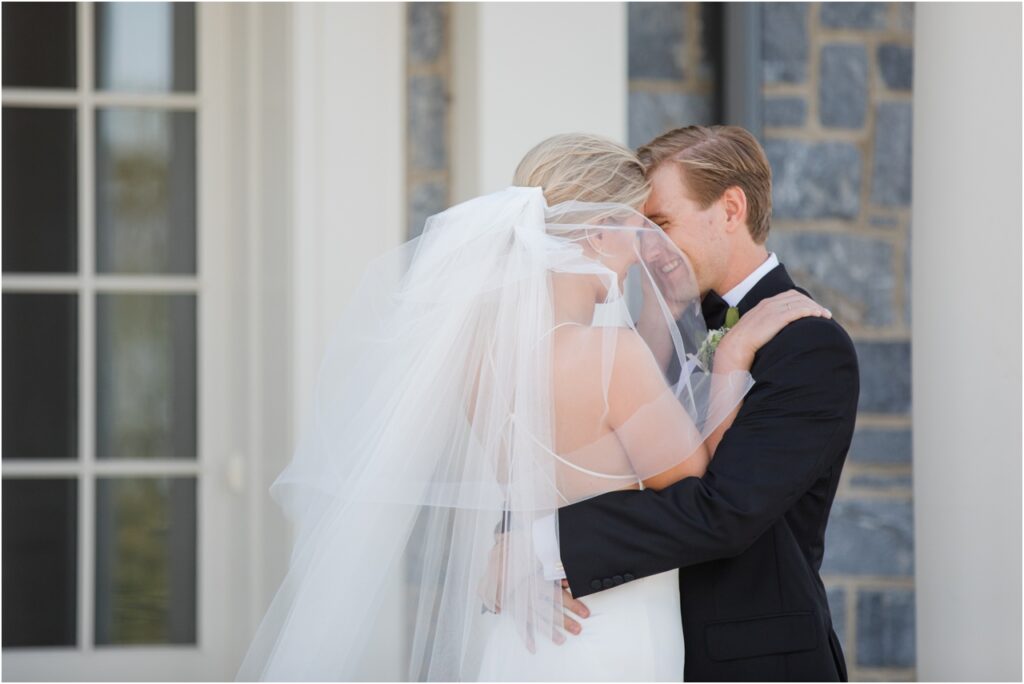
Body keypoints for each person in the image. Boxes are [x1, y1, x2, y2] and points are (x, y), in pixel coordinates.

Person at [234, 133, 828, 682]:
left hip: (524, 632)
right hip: (608, 632)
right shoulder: (611, 354)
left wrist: (522, 548)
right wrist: (731, 363)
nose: (647, 251)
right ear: (598, 232)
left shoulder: (481, 359)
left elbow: (538, 480)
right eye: (638, 228)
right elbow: (702, 494)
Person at [530, 126, 860, 682]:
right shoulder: (651, 331)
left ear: (730, 209)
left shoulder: (807, 344)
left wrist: (541, 545)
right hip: (637, 644)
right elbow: (580, 459)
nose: (645, 247)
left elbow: (723, 511)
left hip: (750, 661)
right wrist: (508, 549)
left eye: (660, 224)